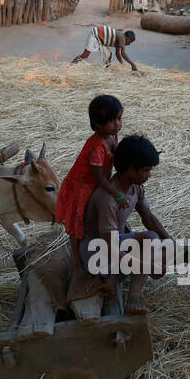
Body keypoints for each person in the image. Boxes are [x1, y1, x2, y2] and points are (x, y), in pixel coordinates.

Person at [80, 134, 172, 316]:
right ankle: (130, 296)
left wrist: (169, 240)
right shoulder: (108, 199)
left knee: (153, 240)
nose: (149, 175)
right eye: (146, 170)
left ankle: (131, 297)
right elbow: (110, 248)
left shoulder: (135, 188)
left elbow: (148, 217)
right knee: (150, 242)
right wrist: (147, 266)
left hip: (114, 247)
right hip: (96, 253)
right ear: (130, 169)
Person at [55, 94, 124, 259]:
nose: (118, 124)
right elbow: (99, 178)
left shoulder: (112, 136)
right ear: (97, 124)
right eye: (112, 120)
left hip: (97, 184)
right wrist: (118, 194)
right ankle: (77, 261)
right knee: (78, 228)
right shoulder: (97, 148)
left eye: (120, 118)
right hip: (83, 188)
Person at [71, 26, 141, 71]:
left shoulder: (120, 40)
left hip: (102, 41)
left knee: (109, 55)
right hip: (95, 34)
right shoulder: (122, 37)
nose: (129, 44)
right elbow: (123, 53)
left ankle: (106, 71)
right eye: (130, 41)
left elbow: (118, 53)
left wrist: (121, 64)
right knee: (85, 55)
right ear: (127, 38)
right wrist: (133, 64)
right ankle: (71, 64)